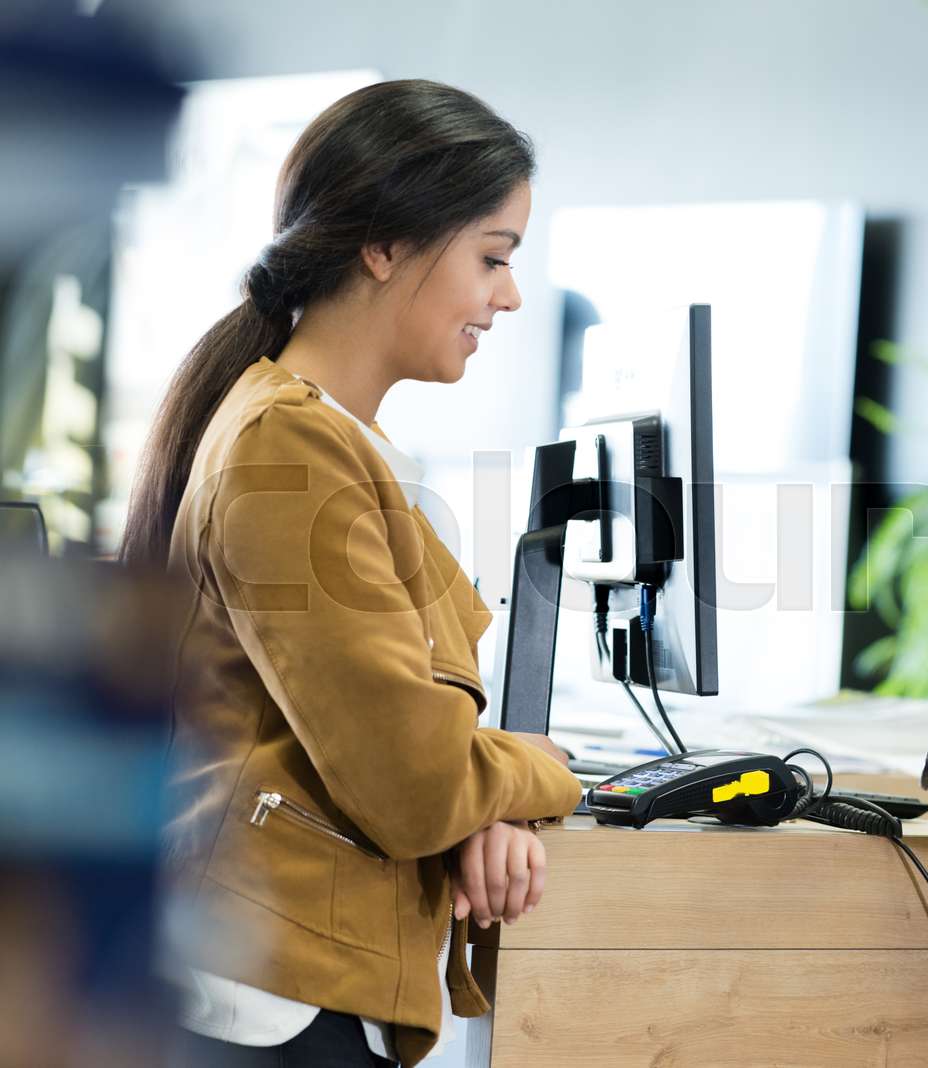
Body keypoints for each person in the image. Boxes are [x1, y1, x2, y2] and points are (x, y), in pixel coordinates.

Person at [121, 80, 582, 1067]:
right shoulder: (289, 452)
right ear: (382, 246)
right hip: (268, 996)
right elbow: (413, 784)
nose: (506, 296)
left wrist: (485, 795)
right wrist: (543, 770)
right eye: (491, 258)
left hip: (301, 979)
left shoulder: (333, 443)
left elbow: (410, 743)